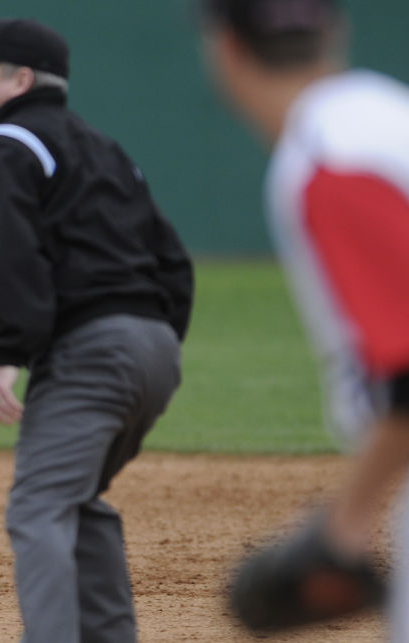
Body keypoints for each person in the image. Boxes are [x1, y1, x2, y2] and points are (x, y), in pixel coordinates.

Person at [0, 18, 194, 642]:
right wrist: (154, 341)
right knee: (77, 501)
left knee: (38, 508)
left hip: (91, 353)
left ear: (21, 80)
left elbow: (12, 256)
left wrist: (8, 354)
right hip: (155, 350)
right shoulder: (104, 148)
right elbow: (173, 261)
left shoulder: (5, 145)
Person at [199, 0, 409, 635]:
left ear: (225, 51)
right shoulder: (388, 116)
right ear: (335, 32)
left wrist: (343, 526)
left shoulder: (330, 155)